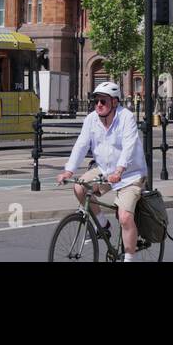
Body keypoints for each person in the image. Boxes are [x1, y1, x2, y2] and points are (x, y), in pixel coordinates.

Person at [57, 82, 147, 261]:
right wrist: (68, 171)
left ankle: (130, 258)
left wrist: (120, 170)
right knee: (79, 187)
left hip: (130, 174)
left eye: (103, 101)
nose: (98, 104)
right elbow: (81, 145)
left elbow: (129, 147)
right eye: (96, 101)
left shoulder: (126, 117)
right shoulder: (91, 119)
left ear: (114, 102)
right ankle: (103, 224)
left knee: (124, 217)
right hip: (105, 171)